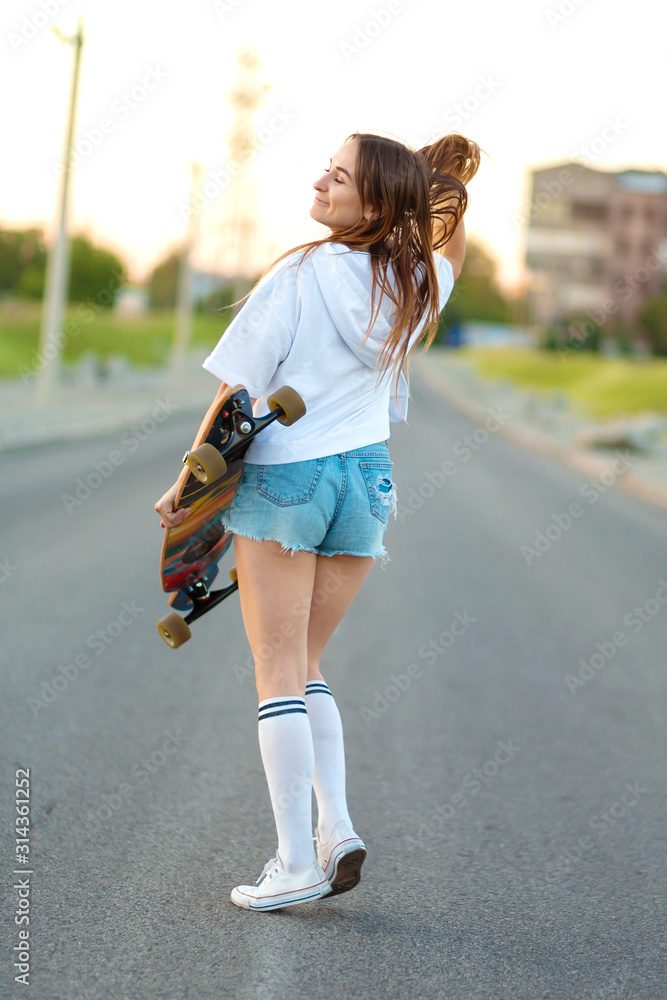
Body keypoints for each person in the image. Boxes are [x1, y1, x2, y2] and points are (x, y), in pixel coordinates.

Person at [155, 130, 481, 911]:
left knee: (276, 673)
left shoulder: (300, 270)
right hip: (366, 482)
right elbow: (451, 240)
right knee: (306, 663)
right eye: (327, 171)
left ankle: (293, 862)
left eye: (338, 177)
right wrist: (432, 186)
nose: (321, 182)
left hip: (289, 478)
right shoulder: (418, 280)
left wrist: (185, 481)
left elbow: (239, 390)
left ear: (371, 203)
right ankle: (334, 826)